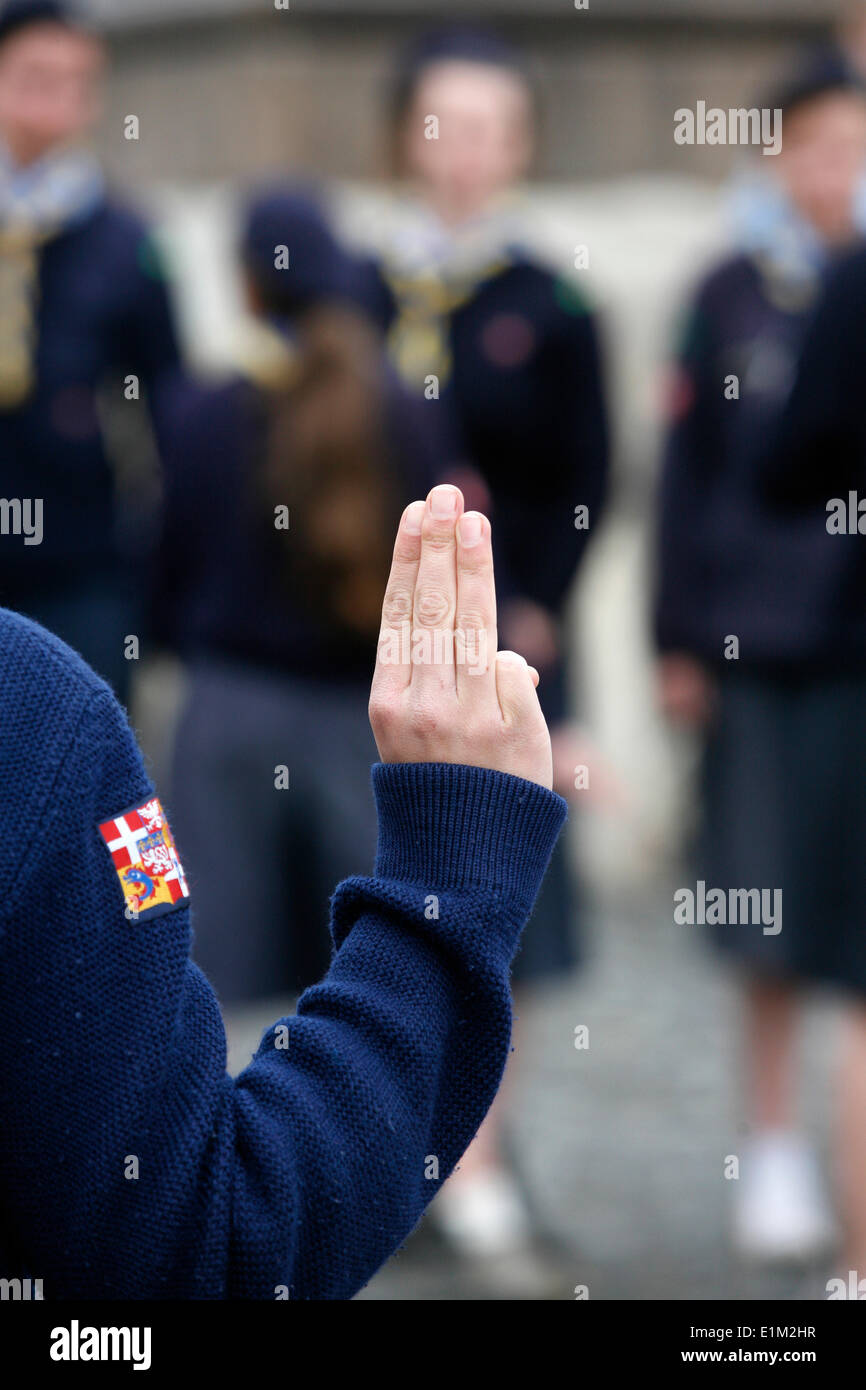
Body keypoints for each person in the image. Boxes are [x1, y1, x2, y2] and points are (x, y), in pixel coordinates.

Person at [0, 483, 567, 1300]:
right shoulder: (39, 716)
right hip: (331, 720)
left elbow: (165, 567)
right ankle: (478, 1188)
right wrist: (451, 871)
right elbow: (199, 1249)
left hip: (225, 708)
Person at [359, 25, 609, 1265]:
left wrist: (542, 599)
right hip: (362, 654)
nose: (461, 153)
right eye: (439, 123)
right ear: (408, 134)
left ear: (518, 146)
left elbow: (587, 473)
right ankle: (369, 1152)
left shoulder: (546, 300)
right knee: (379, 887)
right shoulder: (359, 287)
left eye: (488, 127)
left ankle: (481, 1158)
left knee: (494, 892)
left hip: (509, 646)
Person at [655, 56, 866, 1268]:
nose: (836, 167)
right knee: (765, 900)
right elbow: (684, 480)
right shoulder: (728, 290)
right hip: (761, 634)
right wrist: (677, 636)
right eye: (819, 144)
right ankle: (774, 1142)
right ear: (776, 150)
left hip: (853, 637)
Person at [156, 188, 438, 1003]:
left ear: (246, 285)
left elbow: (165, 576)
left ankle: (224, 1134)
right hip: (364, 722)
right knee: (370, 978)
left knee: (212, 973)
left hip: (229, 717)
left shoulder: (202, 412)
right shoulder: (400, 409)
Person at [0, 0, 182, 702]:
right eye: (35, 75)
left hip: (81, 559)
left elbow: (168, 402)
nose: (58, 99)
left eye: (78, 82)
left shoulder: (123, 238)